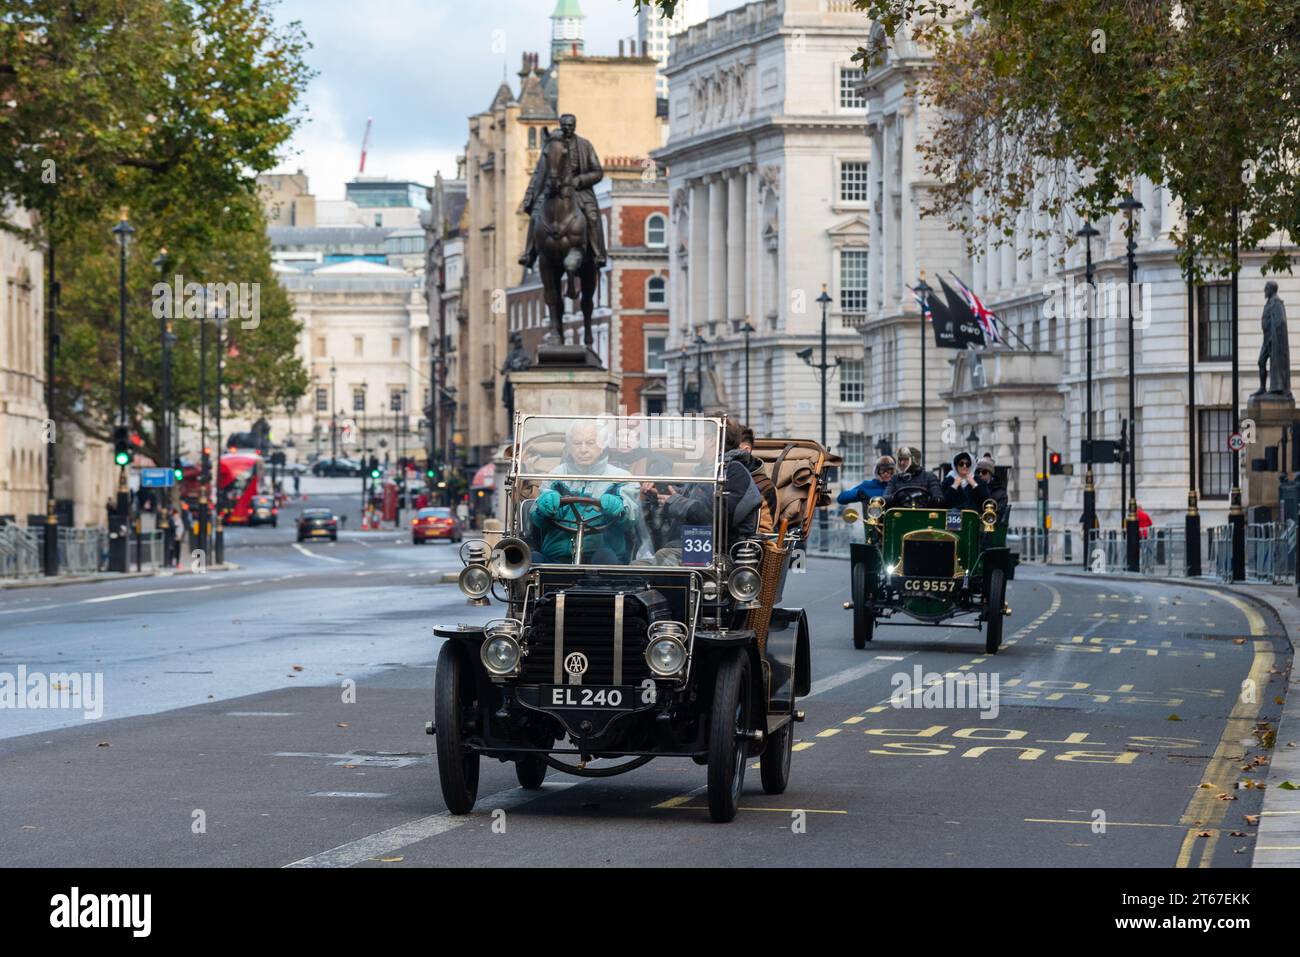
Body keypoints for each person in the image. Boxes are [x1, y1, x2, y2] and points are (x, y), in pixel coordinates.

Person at [533, 421, 640, 564]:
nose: (583, 450)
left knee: (605, 557)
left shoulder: (622, 478)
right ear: (569, 447)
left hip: (601, 560)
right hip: (556, 559)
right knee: (531, 560)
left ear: (601, 446)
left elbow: (632, 518)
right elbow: (536, 520)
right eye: (577, 443)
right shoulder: (556, 475)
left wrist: (620, 509)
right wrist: (542, 508)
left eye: (590, 443)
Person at [517, 114, 607, 270]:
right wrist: (529, 196)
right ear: (560, 125)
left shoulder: (585, 145)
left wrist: (580, 180)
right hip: (552, 189)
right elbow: (539, 173)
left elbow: (598, 172)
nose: (568, 128)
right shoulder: (551, 145)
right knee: (535, 216)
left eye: (571, 125)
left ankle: (597, 252)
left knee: (592, 216)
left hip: (579, 190)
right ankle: (529, 253)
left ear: (575, 126)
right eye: (565, 125)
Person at [975, 456, 1010, 524]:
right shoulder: (972, 488)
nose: (980, 474)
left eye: (984, 472)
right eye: (978, 472)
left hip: (989, 526)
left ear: (990, 474)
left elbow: (997, 515)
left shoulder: (1000, 494)